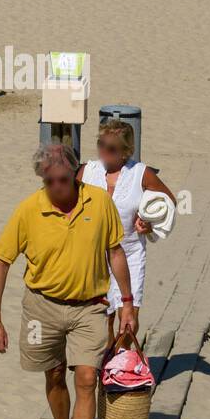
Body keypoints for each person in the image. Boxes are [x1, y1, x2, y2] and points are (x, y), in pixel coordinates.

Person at [0, 142, 134, 419]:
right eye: (49, 181)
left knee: (86, 378)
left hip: (90, 307)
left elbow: (115, 251)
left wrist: (128, 302)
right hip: (42, 307)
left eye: (63, 179)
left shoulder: (99, 203)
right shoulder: (28, 210)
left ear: (75, 175)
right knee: (54, 375)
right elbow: (2, 262)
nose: (56, 187)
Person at [78, 120, 175, 347]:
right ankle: (106, 366)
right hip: (94, 257)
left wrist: (148, 222)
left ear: (126, 151)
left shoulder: (141, 174)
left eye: (111, 148)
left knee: (128, 319)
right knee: (103, 319)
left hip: (129, 253)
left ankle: (122, 360)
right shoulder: (87, 171)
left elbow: (168, 201)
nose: (103, 151)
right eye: (100, 144)